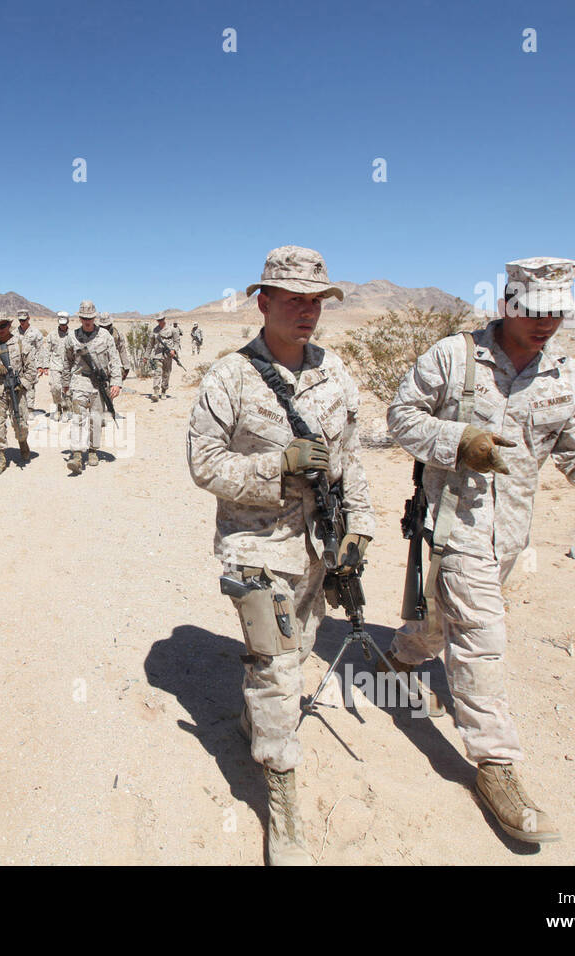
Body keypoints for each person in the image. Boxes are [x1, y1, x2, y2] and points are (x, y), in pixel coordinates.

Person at [384, 256, 575, 844]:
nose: (546, 323)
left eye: (557, 312)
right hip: (452, 526)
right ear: (506, 306)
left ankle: (402, 655)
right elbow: (400, 417)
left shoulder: (573, 380)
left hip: (510, 534)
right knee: (482, 636)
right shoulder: (453, 357)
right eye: (534, 311)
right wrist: (458, 440)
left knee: (446, 622)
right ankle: (496, 765)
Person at [187, 245, 374, 865]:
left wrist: (361, 528)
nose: (306, 312)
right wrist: (278, 464)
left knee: (295, 653)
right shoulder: (229, 377)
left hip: (319, 544)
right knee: (275, 666)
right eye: (292, 299)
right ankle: (282, 796)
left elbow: (351, 461)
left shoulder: (335, 371)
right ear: (261, 301)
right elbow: (204, 465)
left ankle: (254, 724)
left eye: (315, 300)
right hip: (256, 544)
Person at [61, 301, 122, 474]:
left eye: (90, 318)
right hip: (80, 381)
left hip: (99, 385)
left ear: (94, 317)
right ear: (79, 318)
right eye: (84, 318)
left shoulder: (105, 336)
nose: (87, 321)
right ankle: (77, 455)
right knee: (77, 419)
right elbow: (67, 361)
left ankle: (93, 450)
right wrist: (65, 383)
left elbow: (114, 360)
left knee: (95, 419)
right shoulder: (72, 337)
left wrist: (116, 382)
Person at [0, 314, 33, 473]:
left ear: (9, 325)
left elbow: (31, 371)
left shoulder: (21, 344)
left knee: (20, 423)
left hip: (17, 390)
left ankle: (22, 442)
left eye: (2, 326)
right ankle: (1, 456)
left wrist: (21, 384)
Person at [15, 309, 46, 412]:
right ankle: (20, 408)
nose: (22, 322)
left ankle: (30, 409)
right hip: (18, 364)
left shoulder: (35, 332)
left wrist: (41, 366)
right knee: (18, 385)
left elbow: (40, 349)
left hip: (31, 363)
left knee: (30, 386)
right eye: (20, 320)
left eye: (24, 320)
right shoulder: (14, 332)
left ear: (28, 318)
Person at [47, 312, 71, 420]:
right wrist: (44, 366)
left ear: (68, 322)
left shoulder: (73, 335)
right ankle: (57, 407)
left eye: (64, 324)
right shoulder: (52, 335)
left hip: (69, 367)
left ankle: (66, 410)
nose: (62, 326)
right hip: (55, 365)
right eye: (61, 324)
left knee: (67, 390)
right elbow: (46, 351)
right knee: (55, 388)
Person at [151, 313, 178, 401]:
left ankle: (163, 391)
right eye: (158, 320)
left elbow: (176, 341)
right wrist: (146, 356)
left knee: (166, 374)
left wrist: (174, 350)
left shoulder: (172, 330)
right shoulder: (155, 330)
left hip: (168, 356)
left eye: (161, 319)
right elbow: (150, 344)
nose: (160, 321)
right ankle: (155, 392)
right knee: (157, 373)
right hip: (157, 355)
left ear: (164, 319)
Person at [98, 312, 131, 382]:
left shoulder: (116, 334)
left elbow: (122, 350)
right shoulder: (94, 333)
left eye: (107, 326)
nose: (105, 328)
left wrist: (126, 367)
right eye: (102, 326)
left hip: (112, 364)